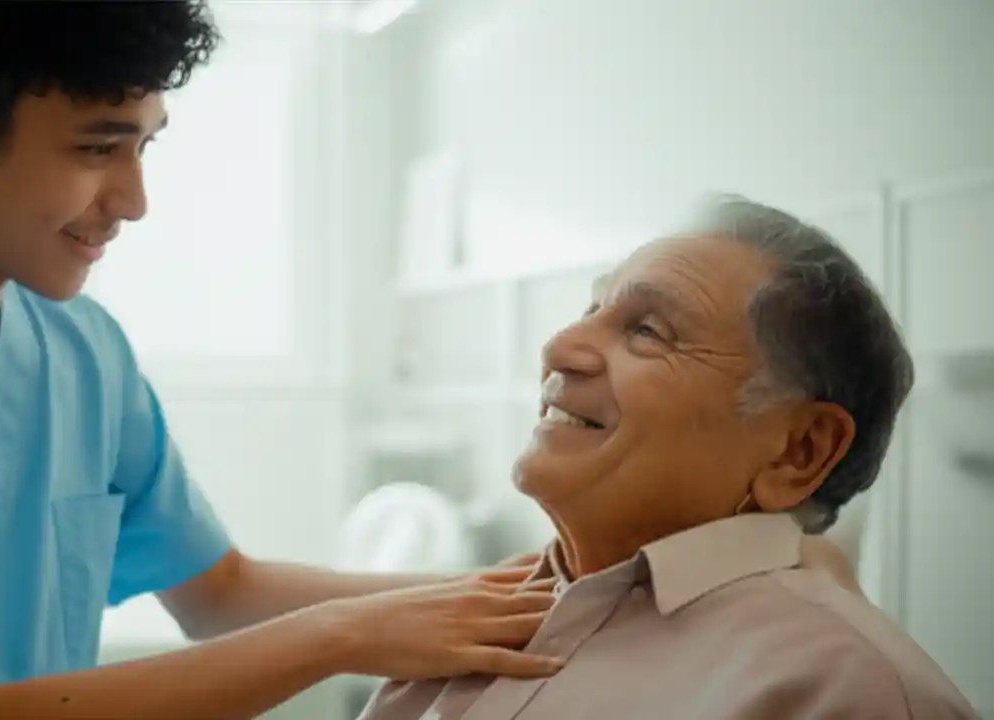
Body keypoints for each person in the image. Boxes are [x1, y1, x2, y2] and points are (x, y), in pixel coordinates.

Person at [0, 4, 567, 719]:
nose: (134, 200)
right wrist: (349, 636)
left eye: (144, 147)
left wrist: (526, 590)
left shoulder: (83, 351)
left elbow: (220, 594)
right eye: (96, 149)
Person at [358, 196, 978, 719]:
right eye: (591, 311)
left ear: (797, 451)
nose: (560, 347)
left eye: (649, 332)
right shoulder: (463, 624)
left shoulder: (847, 689)